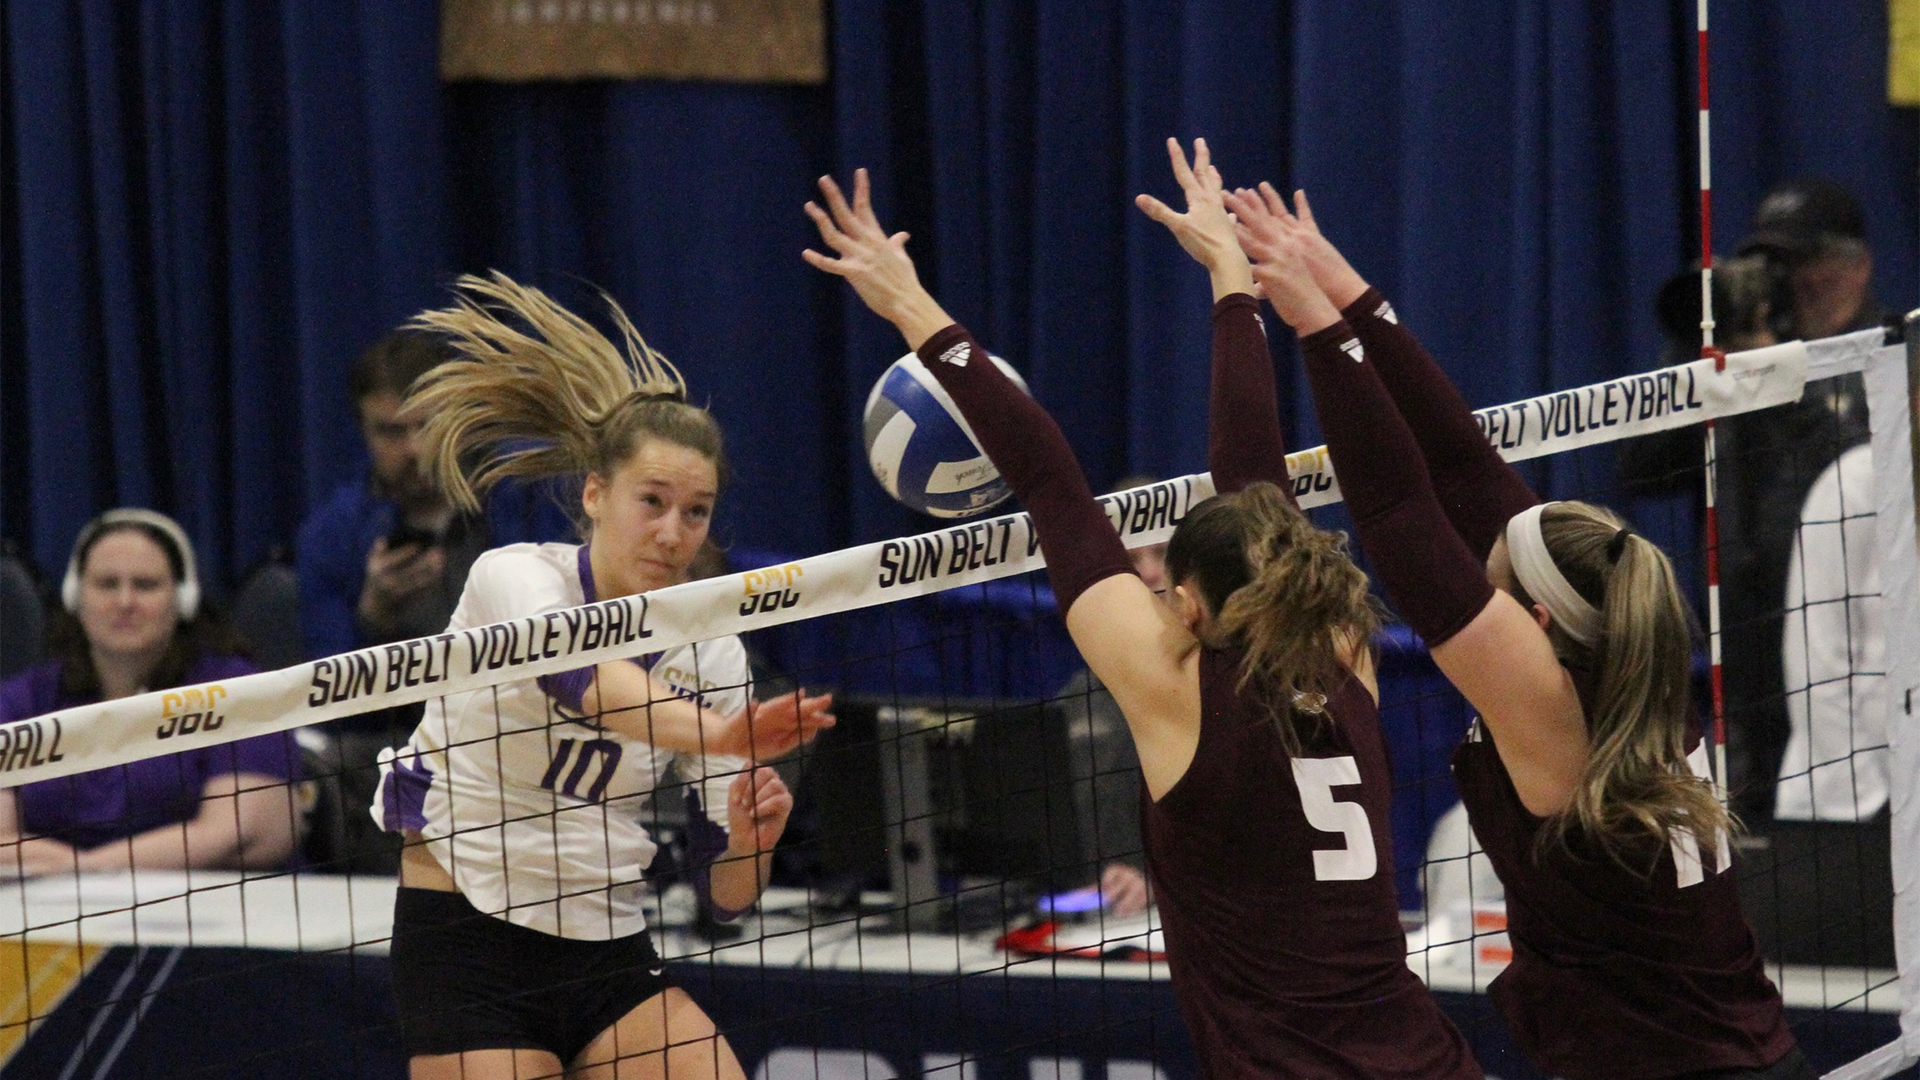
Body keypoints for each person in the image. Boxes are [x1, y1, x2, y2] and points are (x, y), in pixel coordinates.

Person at [805, 143, 1481, 1079]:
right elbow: (1259, 499)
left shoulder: (1177, 691)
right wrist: (1229, 281)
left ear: (1193, 607)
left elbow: (1048, 480)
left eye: (1167, 590)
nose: (1155, 601)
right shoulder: (1343, 653)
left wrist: (910, 303)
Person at [1228, 184, 1809, 1079]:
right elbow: (1462, 467)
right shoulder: (1621, 662)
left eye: (1491, 578)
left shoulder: (1554, 718)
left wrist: (1316, 331)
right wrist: (1350, 295)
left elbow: (1397, 510)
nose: (1478, 561)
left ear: (1534, 622)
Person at [373, 272, 835, 1080]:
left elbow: (725, 896)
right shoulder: (513, 578)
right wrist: (720, 733)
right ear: (595, 493)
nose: (672, 531)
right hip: (468, 940)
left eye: (695, 512)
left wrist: (753, 845)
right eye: (651, 501)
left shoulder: (711, 649)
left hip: (606, 946)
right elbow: (584, 681)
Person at [0, 510, 302, 876]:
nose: (125, 602)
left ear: (183, 598)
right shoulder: (23, 700)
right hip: (56, 911)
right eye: (107, 584)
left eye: (144, 585)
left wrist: (86, 868)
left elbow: (241, 831)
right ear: (75, 597)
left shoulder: (240, 692)